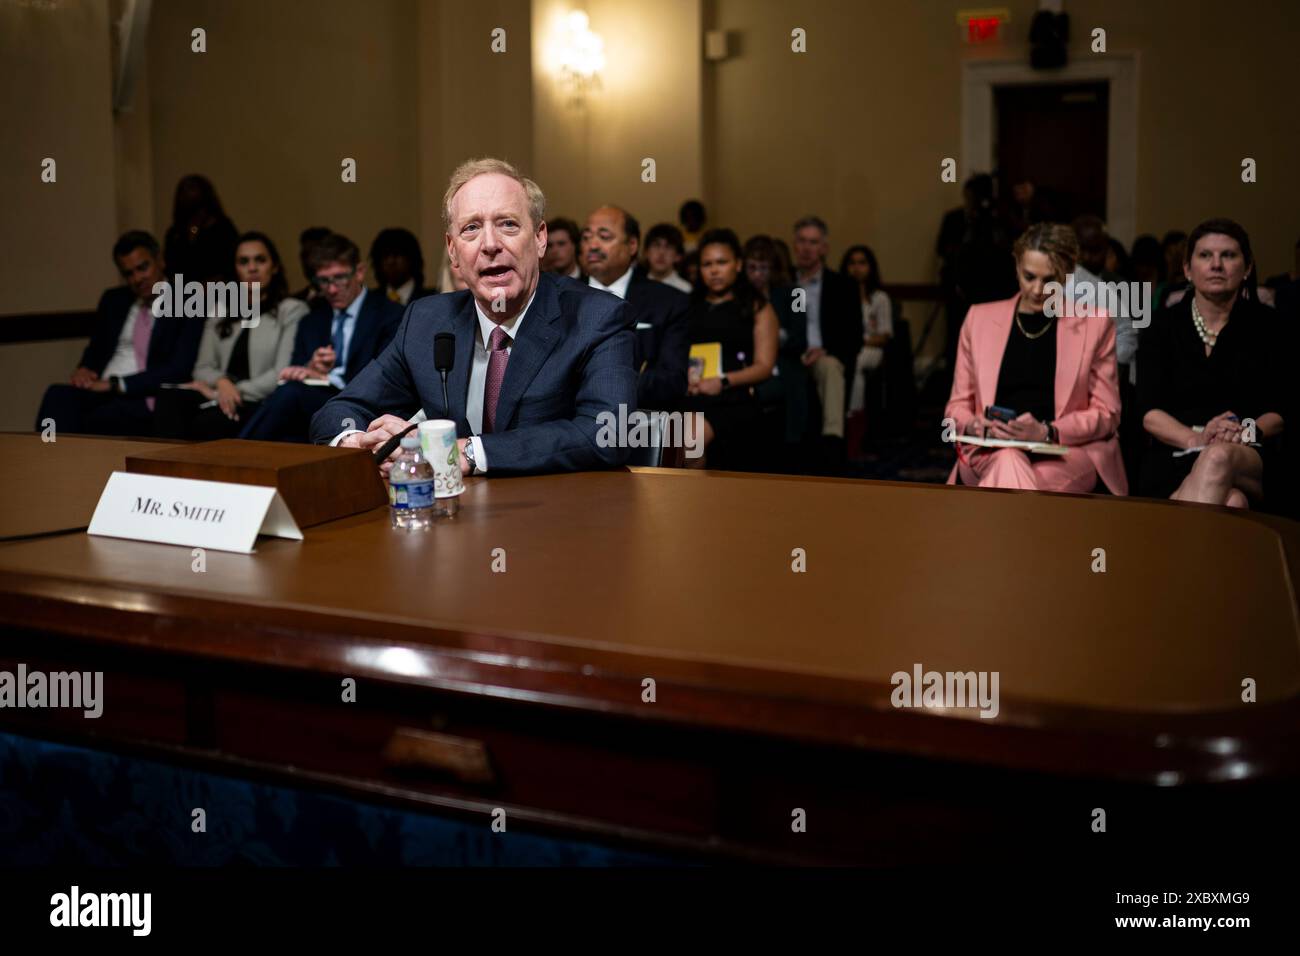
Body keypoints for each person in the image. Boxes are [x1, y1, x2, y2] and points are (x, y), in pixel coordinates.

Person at [311, 158, 637, 476]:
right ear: (453, 250)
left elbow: (609, 432)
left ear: (540, 238)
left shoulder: (596, 317)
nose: (490, 244)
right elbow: (338, 412)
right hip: (451, 508)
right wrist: (361, 442)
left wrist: (463, 452)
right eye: (471, 228)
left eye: (508, 224)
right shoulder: (426, 321)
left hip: (556, 508)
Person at [944, 222, 1126, 494]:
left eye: (1049, 280)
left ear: (1068, 274)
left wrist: (1047, 431)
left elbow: (1107, 413)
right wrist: (974, 424)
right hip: (990, 451)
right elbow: (956, 407)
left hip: (1065, 451)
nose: (1038, 289)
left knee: (1014, 472)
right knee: (1009, 460)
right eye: (1029, 277)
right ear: (1017, 266)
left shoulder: (1095, 324)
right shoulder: (979, 318)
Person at [1137, 218, 1286, 509]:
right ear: (1187, 269)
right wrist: (1196, 439)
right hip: (1177, 450)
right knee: (1233, 502)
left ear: (1247, 267)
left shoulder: (1271, 327)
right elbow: (1148, 411)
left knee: (1218, 456)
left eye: (1228, 255)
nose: (1216, 265)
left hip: (1247, 449)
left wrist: (1244, 432)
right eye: (1205, 255)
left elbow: (1282, 410)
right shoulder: (1161, 327)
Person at [35, 231, 202, 437]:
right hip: (101, 390)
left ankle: (62, 453)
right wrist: (85, 369)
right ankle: (47, 453)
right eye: (128, 273)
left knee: (100, 417)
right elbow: (96, 349)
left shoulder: (187, 301)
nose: (137, 278)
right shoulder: (114, 300)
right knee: (57, 397)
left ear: (160, 261)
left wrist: (116, 385)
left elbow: (178, 368)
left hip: (143, 393)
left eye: (143, 268)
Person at [239, 232, 402, 442]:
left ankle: (237, 449)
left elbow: (385, 378)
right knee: (284, 403)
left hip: (362, 404)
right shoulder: (311, 320)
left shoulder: (389, 315)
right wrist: (309, 368)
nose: (332, 289)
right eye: (324, 281)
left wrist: (326, 378)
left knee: (289, 395)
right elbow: (297, 366)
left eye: (340, 278)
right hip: (316, 402)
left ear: (359, 272)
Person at [153, 232, 309, 440]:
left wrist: (229, 392)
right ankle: (161, 462)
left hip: (259, 400)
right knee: (169, 398)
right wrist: (221, 382)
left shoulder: (291, 310)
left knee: (209, 423)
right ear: (235, 269)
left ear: (275, 267)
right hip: (219, 393)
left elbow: (281, 373)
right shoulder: (221, 311)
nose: (252, 268)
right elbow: (202, 368)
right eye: (243, 262)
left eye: (260, 260)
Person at [676, 229, 778, 469]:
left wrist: (722, 381)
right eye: (707, 264)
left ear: (738, 265)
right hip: (689, 392)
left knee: (689, 444)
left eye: (722, 262)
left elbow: (765, 366)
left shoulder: (757, 307)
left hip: (734, 396)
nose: (714, 270)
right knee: (665, 443)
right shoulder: (688, 307)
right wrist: (682, 377)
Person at [582, 205, 690, 410]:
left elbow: (672, 379)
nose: (592, 245)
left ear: (632, 245)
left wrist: (600, 388)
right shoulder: (559, 297)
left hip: (638, 416)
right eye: (586, 237)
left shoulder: (668, 301)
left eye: (604, 237)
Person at [791, 216, 860, 454]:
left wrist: (825, 350)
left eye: (813, 242)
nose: (807, 248)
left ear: (824, 248)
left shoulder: (843, 285)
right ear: (794, 245)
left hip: (825, 354)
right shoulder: (785, 282)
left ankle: (832, 440)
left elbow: (854, 336)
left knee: (830, 367)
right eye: (802, 241)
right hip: (789, 354)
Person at [744, 234, 806, 447]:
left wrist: (768, 339)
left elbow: (800, 340)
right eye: (752, 268)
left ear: (773, 268)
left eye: (763, 268)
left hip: (785, 363)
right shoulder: (737, 296)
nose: (757, 274)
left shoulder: (797, 293)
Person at [840, 244, 893, 456]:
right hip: (847, 348)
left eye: (862, 263)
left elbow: (884, 336)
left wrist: (859, 341)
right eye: (852, 263)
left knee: (857, 362)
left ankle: (854, 424)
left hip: (871, 350)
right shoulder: (840, 294)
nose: (856, 268)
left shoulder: (880, 298)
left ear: (870, 267)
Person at [1072, 215, 1138, 376]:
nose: (1086, 257)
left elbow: (1131, 338)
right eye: (1081, 249)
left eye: (1094, 250)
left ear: (1107, 249)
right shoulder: (1056, 283)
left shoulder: (1125, 288)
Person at [163, 174, 239, 283]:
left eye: (192, 188)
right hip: (183, 291)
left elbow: (233, 265)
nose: (187, 194)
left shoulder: (223, 228)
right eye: (183, 190)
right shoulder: (175, 234)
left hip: (219, 289)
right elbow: (169, 269)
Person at [370, 227, 437, 305]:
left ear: (412, 258)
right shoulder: (370, 301)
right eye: (385, 255)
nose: (390, 261)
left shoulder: (431, 299)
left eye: (396, 254)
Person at [642, 223, 692, 293]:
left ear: (678, 256)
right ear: (646, 252)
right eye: (656, 245)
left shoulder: (685, 289)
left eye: (669, 247)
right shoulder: (635, 286)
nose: (661, 252)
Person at [290, 226, 332, 305]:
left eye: (317, 254)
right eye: (306, 255)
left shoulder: (349, 299)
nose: (309, 261)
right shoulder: (292, 302)